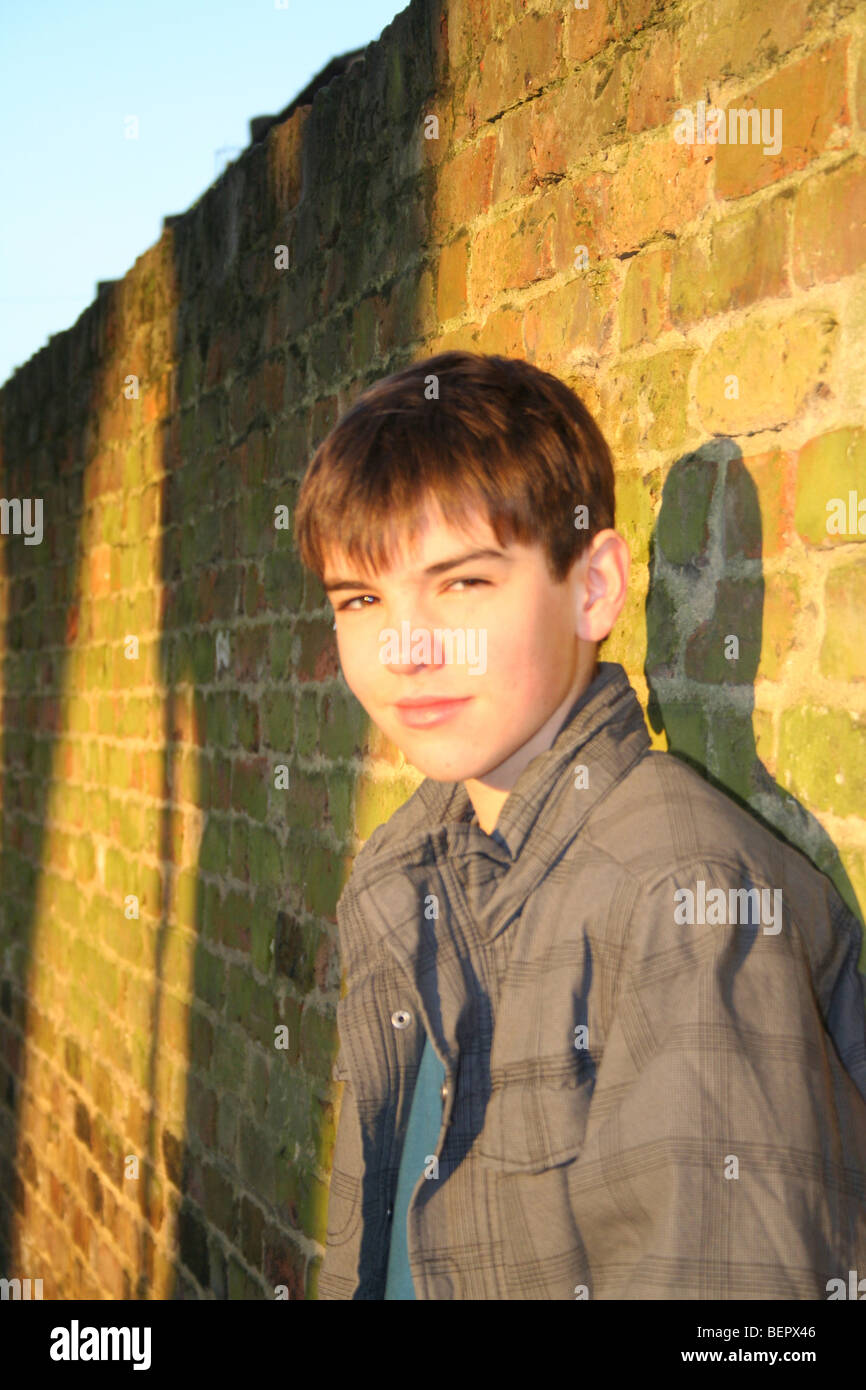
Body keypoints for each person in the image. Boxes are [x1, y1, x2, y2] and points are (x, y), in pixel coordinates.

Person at [293, 350, 866, 1300]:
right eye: (362, 599)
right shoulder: (397, 877)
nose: (406, 648)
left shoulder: (681, 898)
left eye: (464, 584)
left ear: (594, 589)